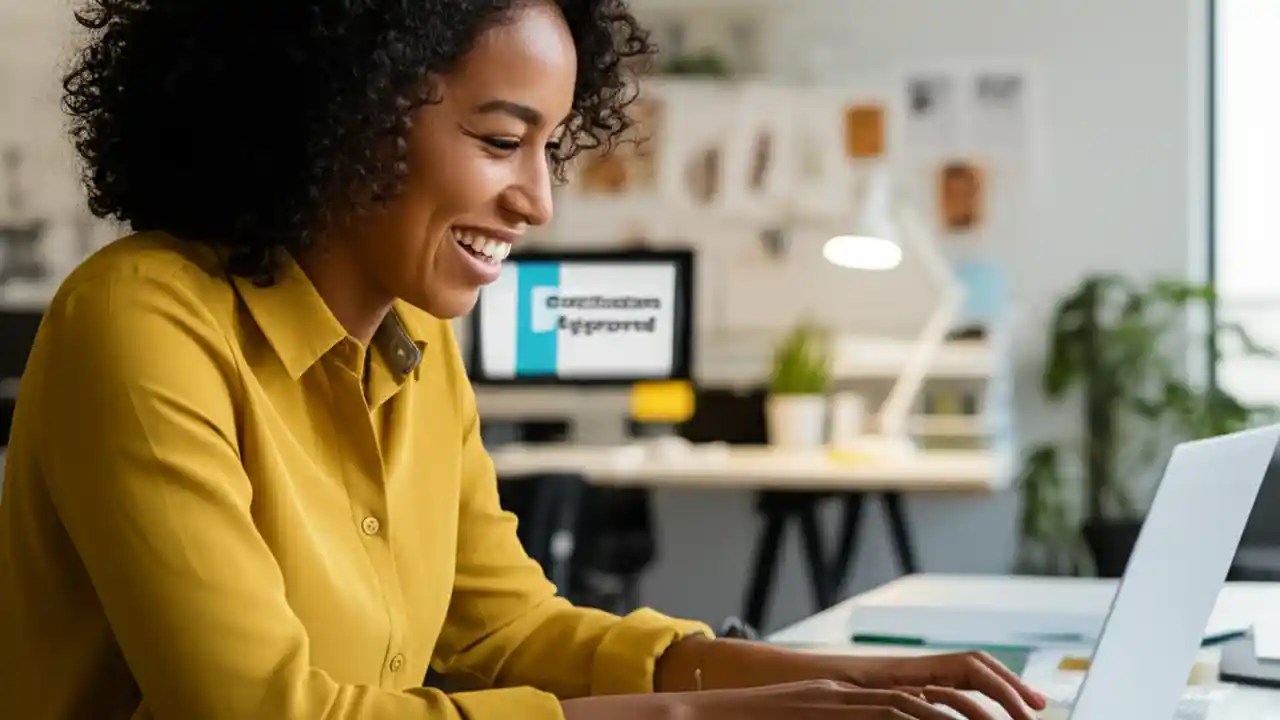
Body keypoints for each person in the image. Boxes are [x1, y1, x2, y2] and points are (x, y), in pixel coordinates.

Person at [0, 2, 1048, 719]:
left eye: (550, 147)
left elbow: (502, 629)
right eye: (502, 141)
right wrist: (700, 714)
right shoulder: (140, 322)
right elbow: (260, 713)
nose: (537, 201)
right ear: (344, 115)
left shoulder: (420, 343)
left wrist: (826, 679)